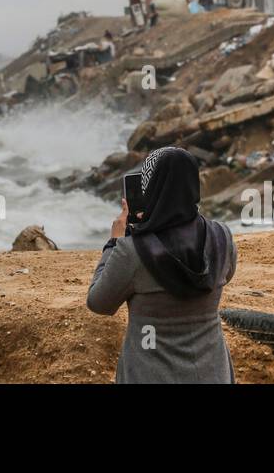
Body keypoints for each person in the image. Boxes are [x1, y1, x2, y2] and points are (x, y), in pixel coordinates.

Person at [86, 146, 238, 383]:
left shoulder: (132, 251)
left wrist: (113, 243)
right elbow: (224, 276)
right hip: (212, 372)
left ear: (152, 188)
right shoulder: (221, 237)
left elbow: (98, 302)